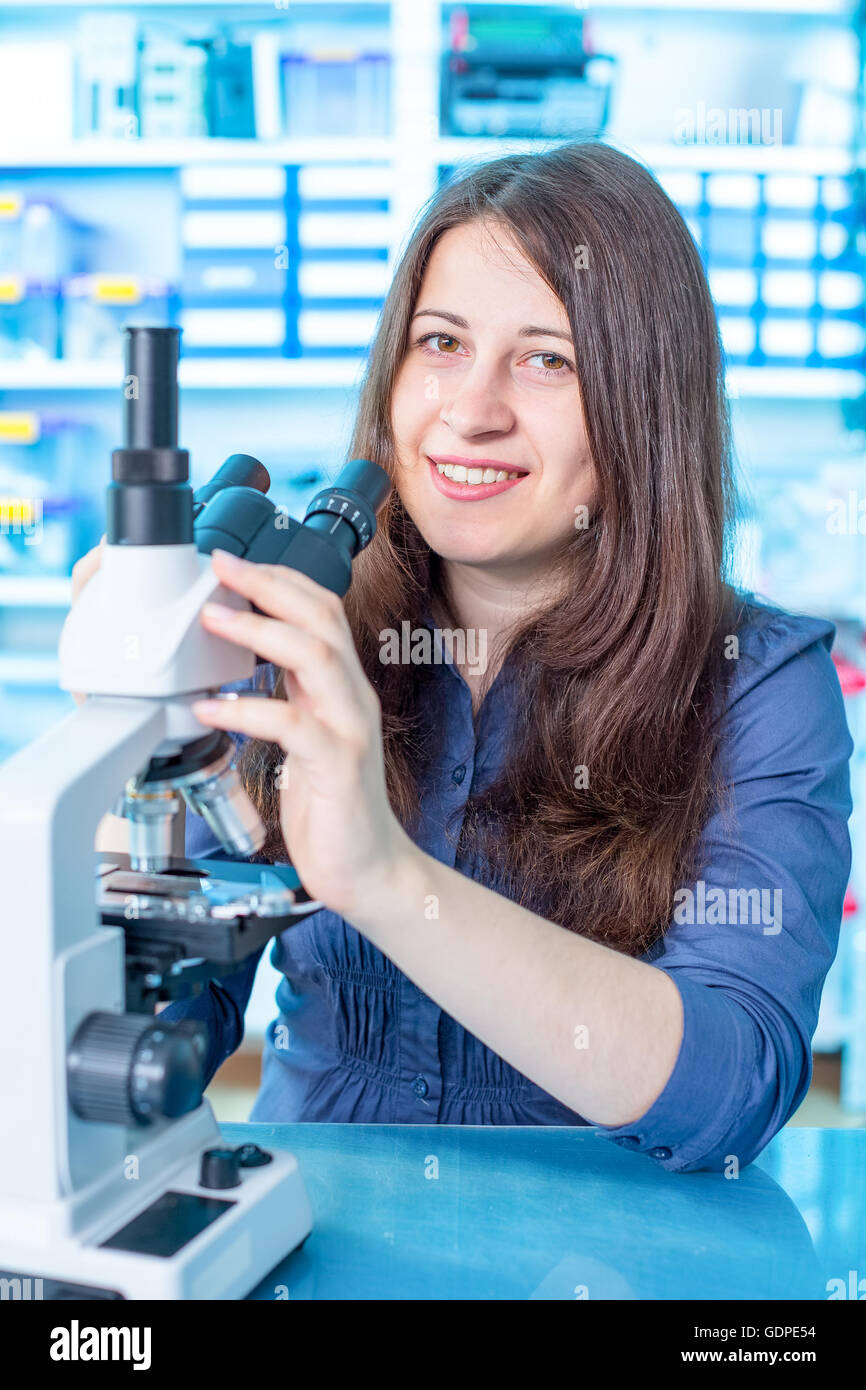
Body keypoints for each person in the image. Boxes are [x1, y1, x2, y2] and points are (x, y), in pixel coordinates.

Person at [74, 142, 853, 1173]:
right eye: (439, 342)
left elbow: (733, 1083)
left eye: (546, 359)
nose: (469, 408)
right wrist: (110, 798)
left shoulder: (754, 682)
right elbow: (171, 1013)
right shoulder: (306, 622)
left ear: (643, 405)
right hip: (319, 1233)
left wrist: (385, 876)